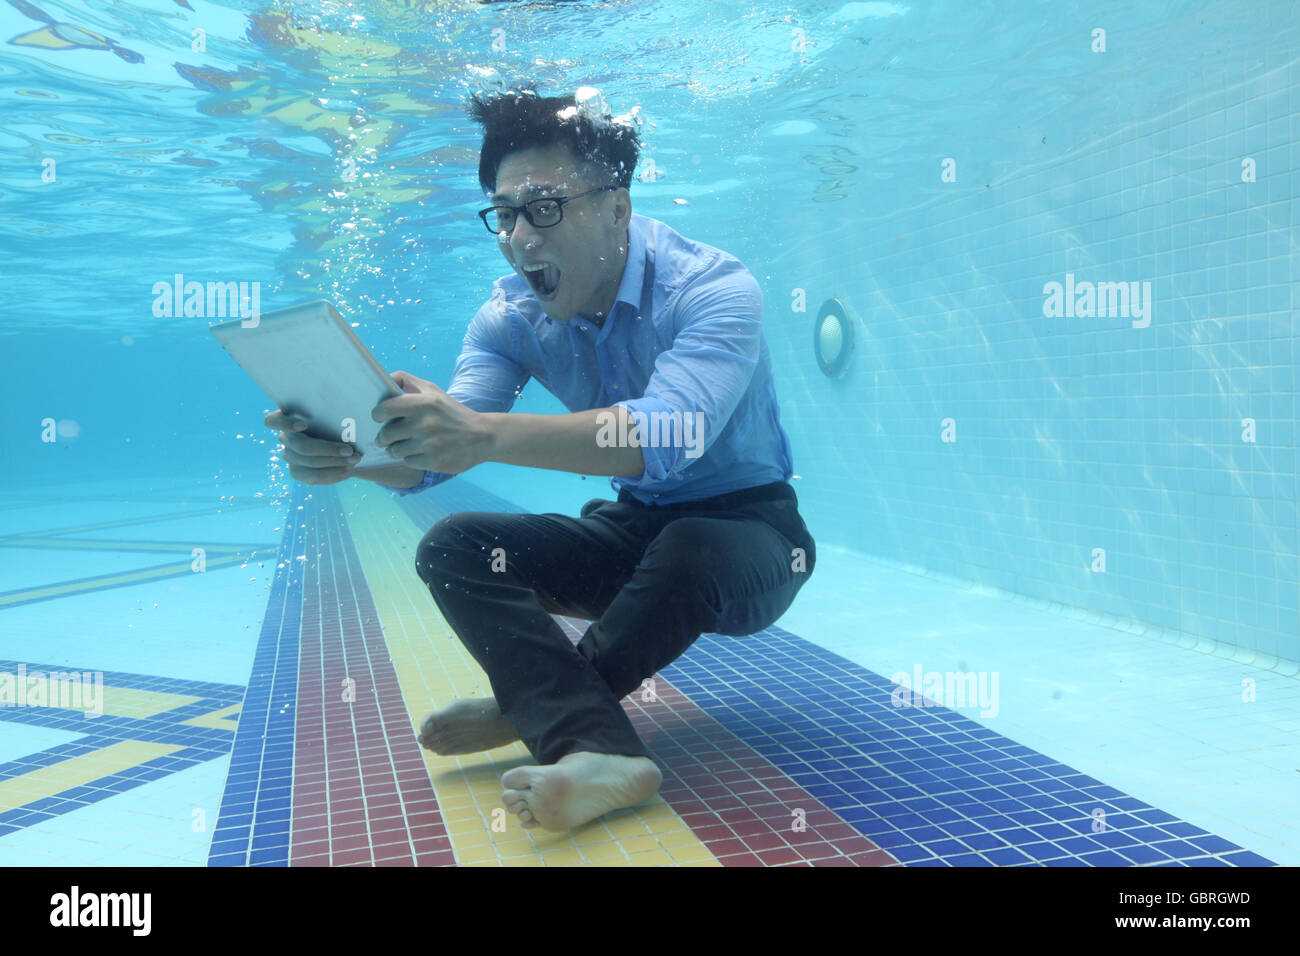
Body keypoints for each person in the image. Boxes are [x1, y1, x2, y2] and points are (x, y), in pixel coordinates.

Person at [265, 87, 816, 833]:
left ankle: (533, 704)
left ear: (617, 208)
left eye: (546, 208)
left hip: (755, 539)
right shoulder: (508, 318)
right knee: (455, 545)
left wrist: (482, 434)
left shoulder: (713, 288)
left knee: (690, 545)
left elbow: (670, 435)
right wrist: (350, 457)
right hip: (637, 531)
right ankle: (601, 752)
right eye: (505, 212)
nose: (521, 238)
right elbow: (439, 457)